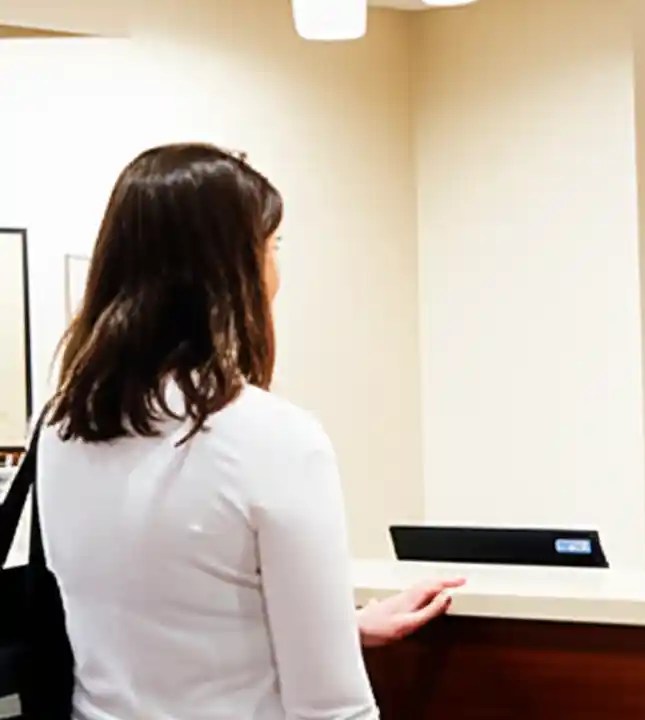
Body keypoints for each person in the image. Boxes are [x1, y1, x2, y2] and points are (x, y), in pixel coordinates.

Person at [34, 143, 462, 719]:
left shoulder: (61, 428)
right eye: (272, 247)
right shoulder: (273, 438)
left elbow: (152, 619)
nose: (276, 272)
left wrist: (337, 626)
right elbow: (331, 708)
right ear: (228, 272)